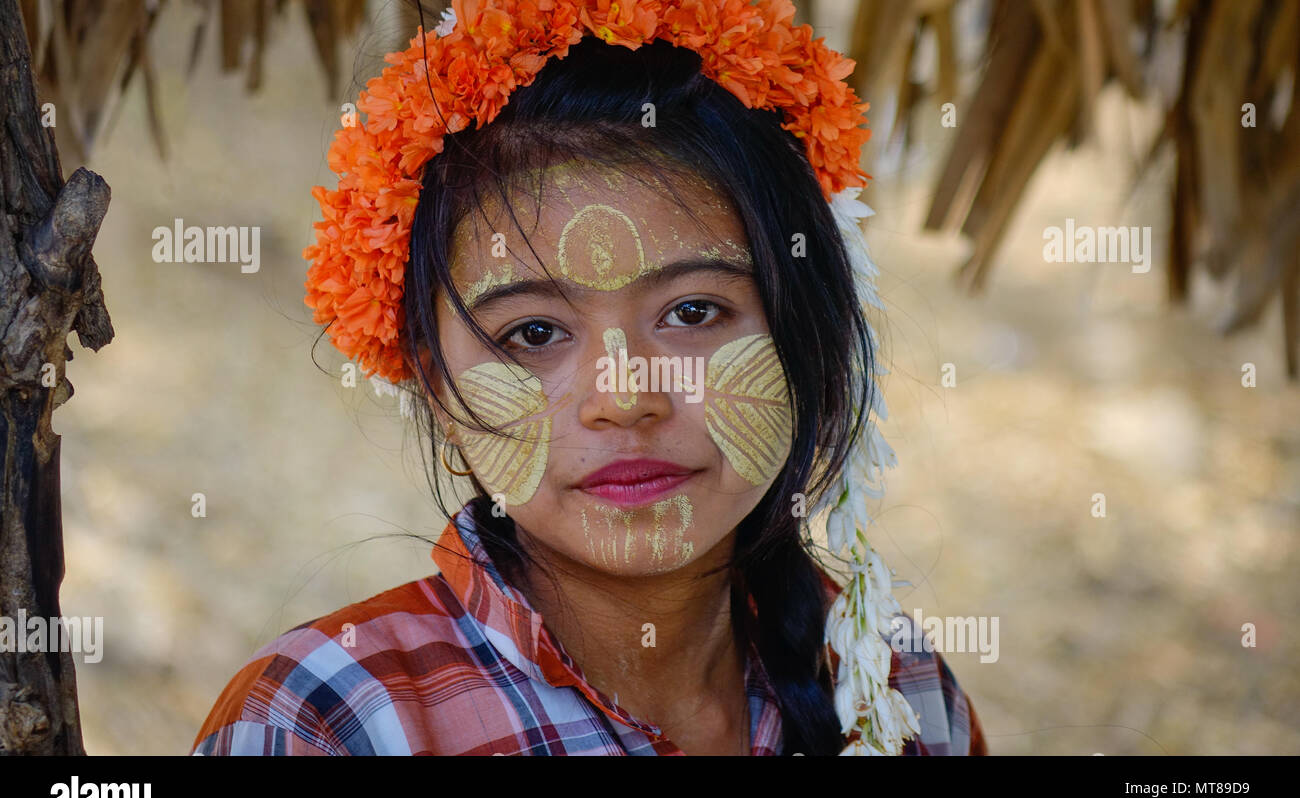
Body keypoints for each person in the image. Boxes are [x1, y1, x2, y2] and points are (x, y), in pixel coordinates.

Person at [192, 0, 987, 756]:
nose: (624, 397)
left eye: (694, 312)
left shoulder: (898, 691)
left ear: (806, 333)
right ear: (435, 385)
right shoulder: (327, 723)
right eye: (533, 333)